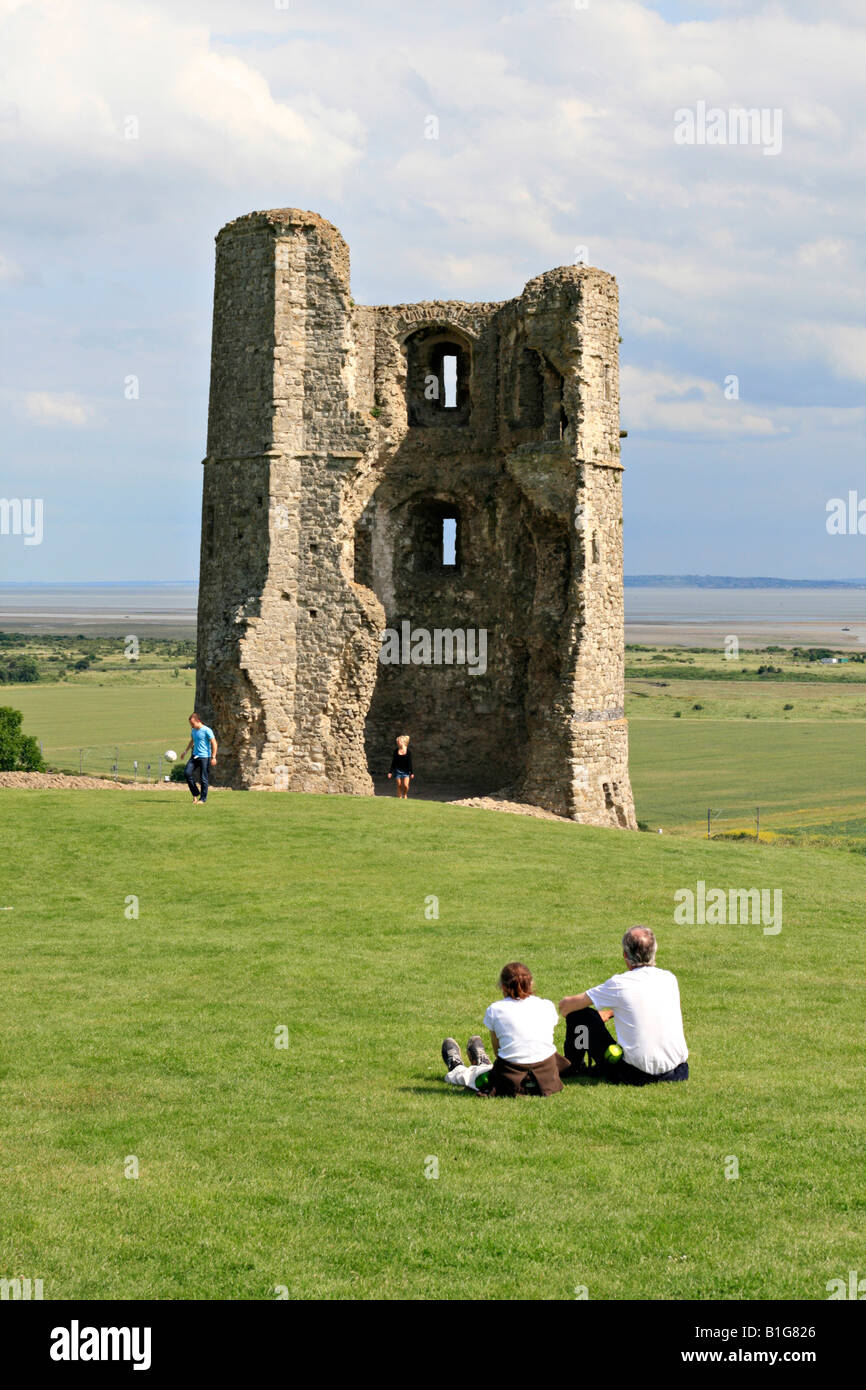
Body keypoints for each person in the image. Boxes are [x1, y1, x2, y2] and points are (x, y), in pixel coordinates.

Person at [558, 926, 689, 1085]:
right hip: (678, 1071)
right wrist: (611, 1012)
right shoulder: (669, 979)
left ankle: (575, 1067)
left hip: (635, 1074)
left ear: (625, 955)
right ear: (654, 951)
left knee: (580, 1016)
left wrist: (596, 1016)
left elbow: (566, 1007)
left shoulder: (619, 984)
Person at [441, 961, 570, 1097]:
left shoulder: (495, 1010)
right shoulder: (547, 1006)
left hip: (511, 1080)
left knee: (472, 1077)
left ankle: (456, 1067)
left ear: (503, 987)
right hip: (547, 1078)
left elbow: (498, 1051)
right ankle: (482, 1062)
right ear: (531, 984)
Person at [181, 713, 217, 806]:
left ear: (198, 721)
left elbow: (214, 743)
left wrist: (213, 757)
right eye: (190, 724)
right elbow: (192, 741)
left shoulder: (207, 730)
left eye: (192, 724)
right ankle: (196, 793)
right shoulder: (193, 730)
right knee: (187, 773)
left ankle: (203, 799)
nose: (191, 726)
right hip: (194, 756)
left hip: (205, 757)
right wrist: (185, 751)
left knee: (203, 778)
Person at [387, 733, 413, 798]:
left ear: (403, 742)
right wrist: (390, 772)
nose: (398, 743)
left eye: (399, 742)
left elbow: (410, 763)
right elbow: (393, 762)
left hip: (406, 771)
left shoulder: (408, 752)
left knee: (406, 785)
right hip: (397, 770)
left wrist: (412, 772)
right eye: (397, 742)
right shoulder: (396, 751)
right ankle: (399, 797)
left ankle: (405, 794)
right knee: (399, 785)